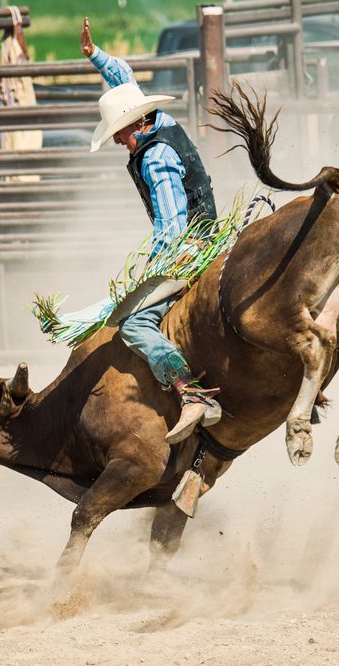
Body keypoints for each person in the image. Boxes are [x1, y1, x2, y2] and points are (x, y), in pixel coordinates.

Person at [80, 17, 222, 443]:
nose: (120, 142)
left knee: (134, 324)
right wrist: (96, 56)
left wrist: (150, 269)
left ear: (135, 125)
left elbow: (172, 225)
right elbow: (124, 80)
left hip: (190, 248)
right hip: (209, 235)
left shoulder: (155, 157)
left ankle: (189, 392)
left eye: (119, 134)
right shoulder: (157, 121)